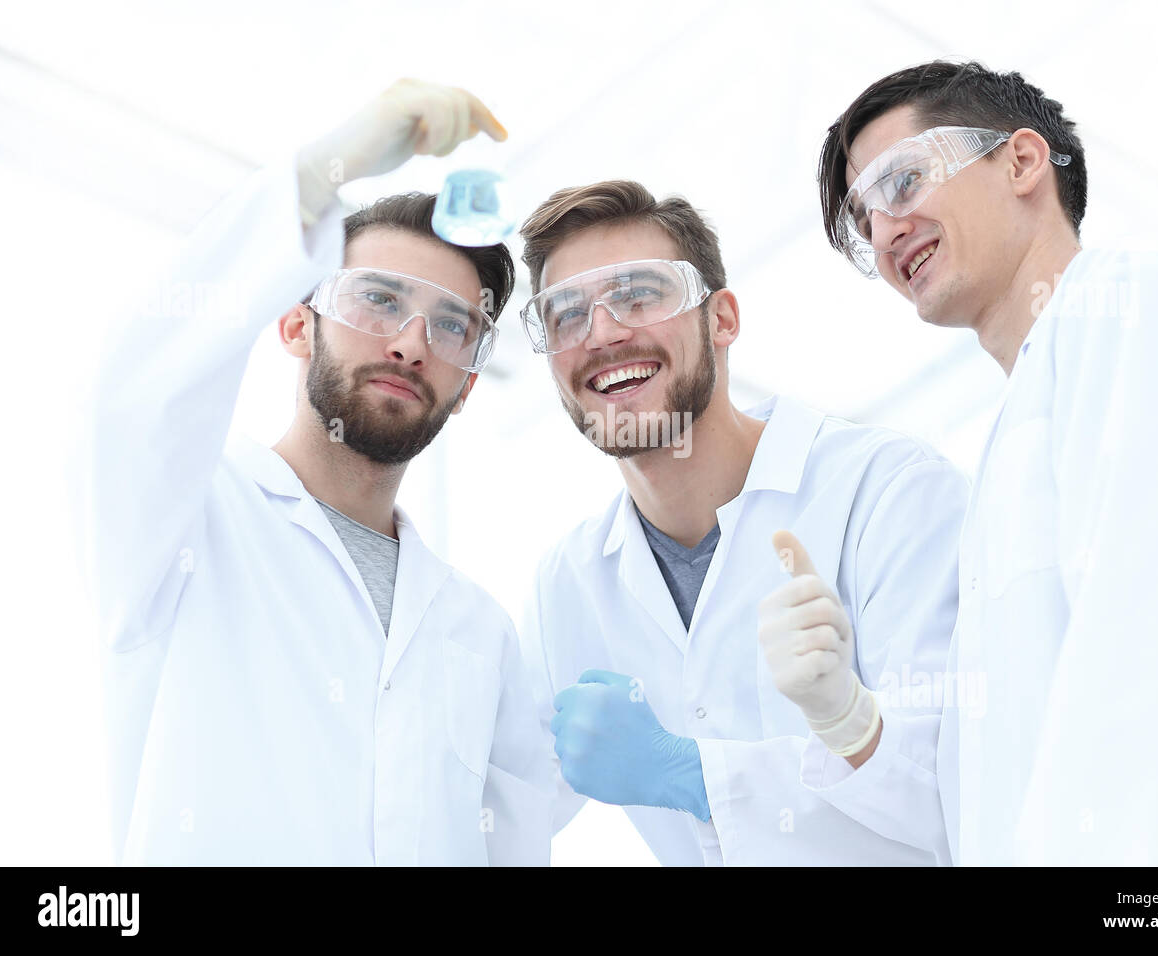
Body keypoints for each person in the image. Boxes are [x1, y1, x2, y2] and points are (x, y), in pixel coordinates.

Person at [813, 59, 1158, 864]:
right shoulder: (1015, 434)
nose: (886, 232)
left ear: (1023, 162)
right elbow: (991, 788)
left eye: (900, 185)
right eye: (865, 223)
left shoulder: (1129, 300)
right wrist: (850, 724)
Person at [79, 79, 552, 865]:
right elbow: (132, 394)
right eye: (377, 300)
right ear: (296, 323)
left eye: (450, 326)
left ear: (469, 383)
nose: (409, 343)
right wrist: (323, 171)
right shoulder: (187, 519)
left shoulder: (480, 634)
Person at [515, 180, 968, 865]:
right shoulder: (569, 584)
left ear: (721, 319)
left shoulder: (889, 492)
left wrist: (700, 773)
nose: (602, 332)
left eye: (639, 294)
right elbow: (493, 811)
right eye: (566, 315)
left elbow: (960, 794)